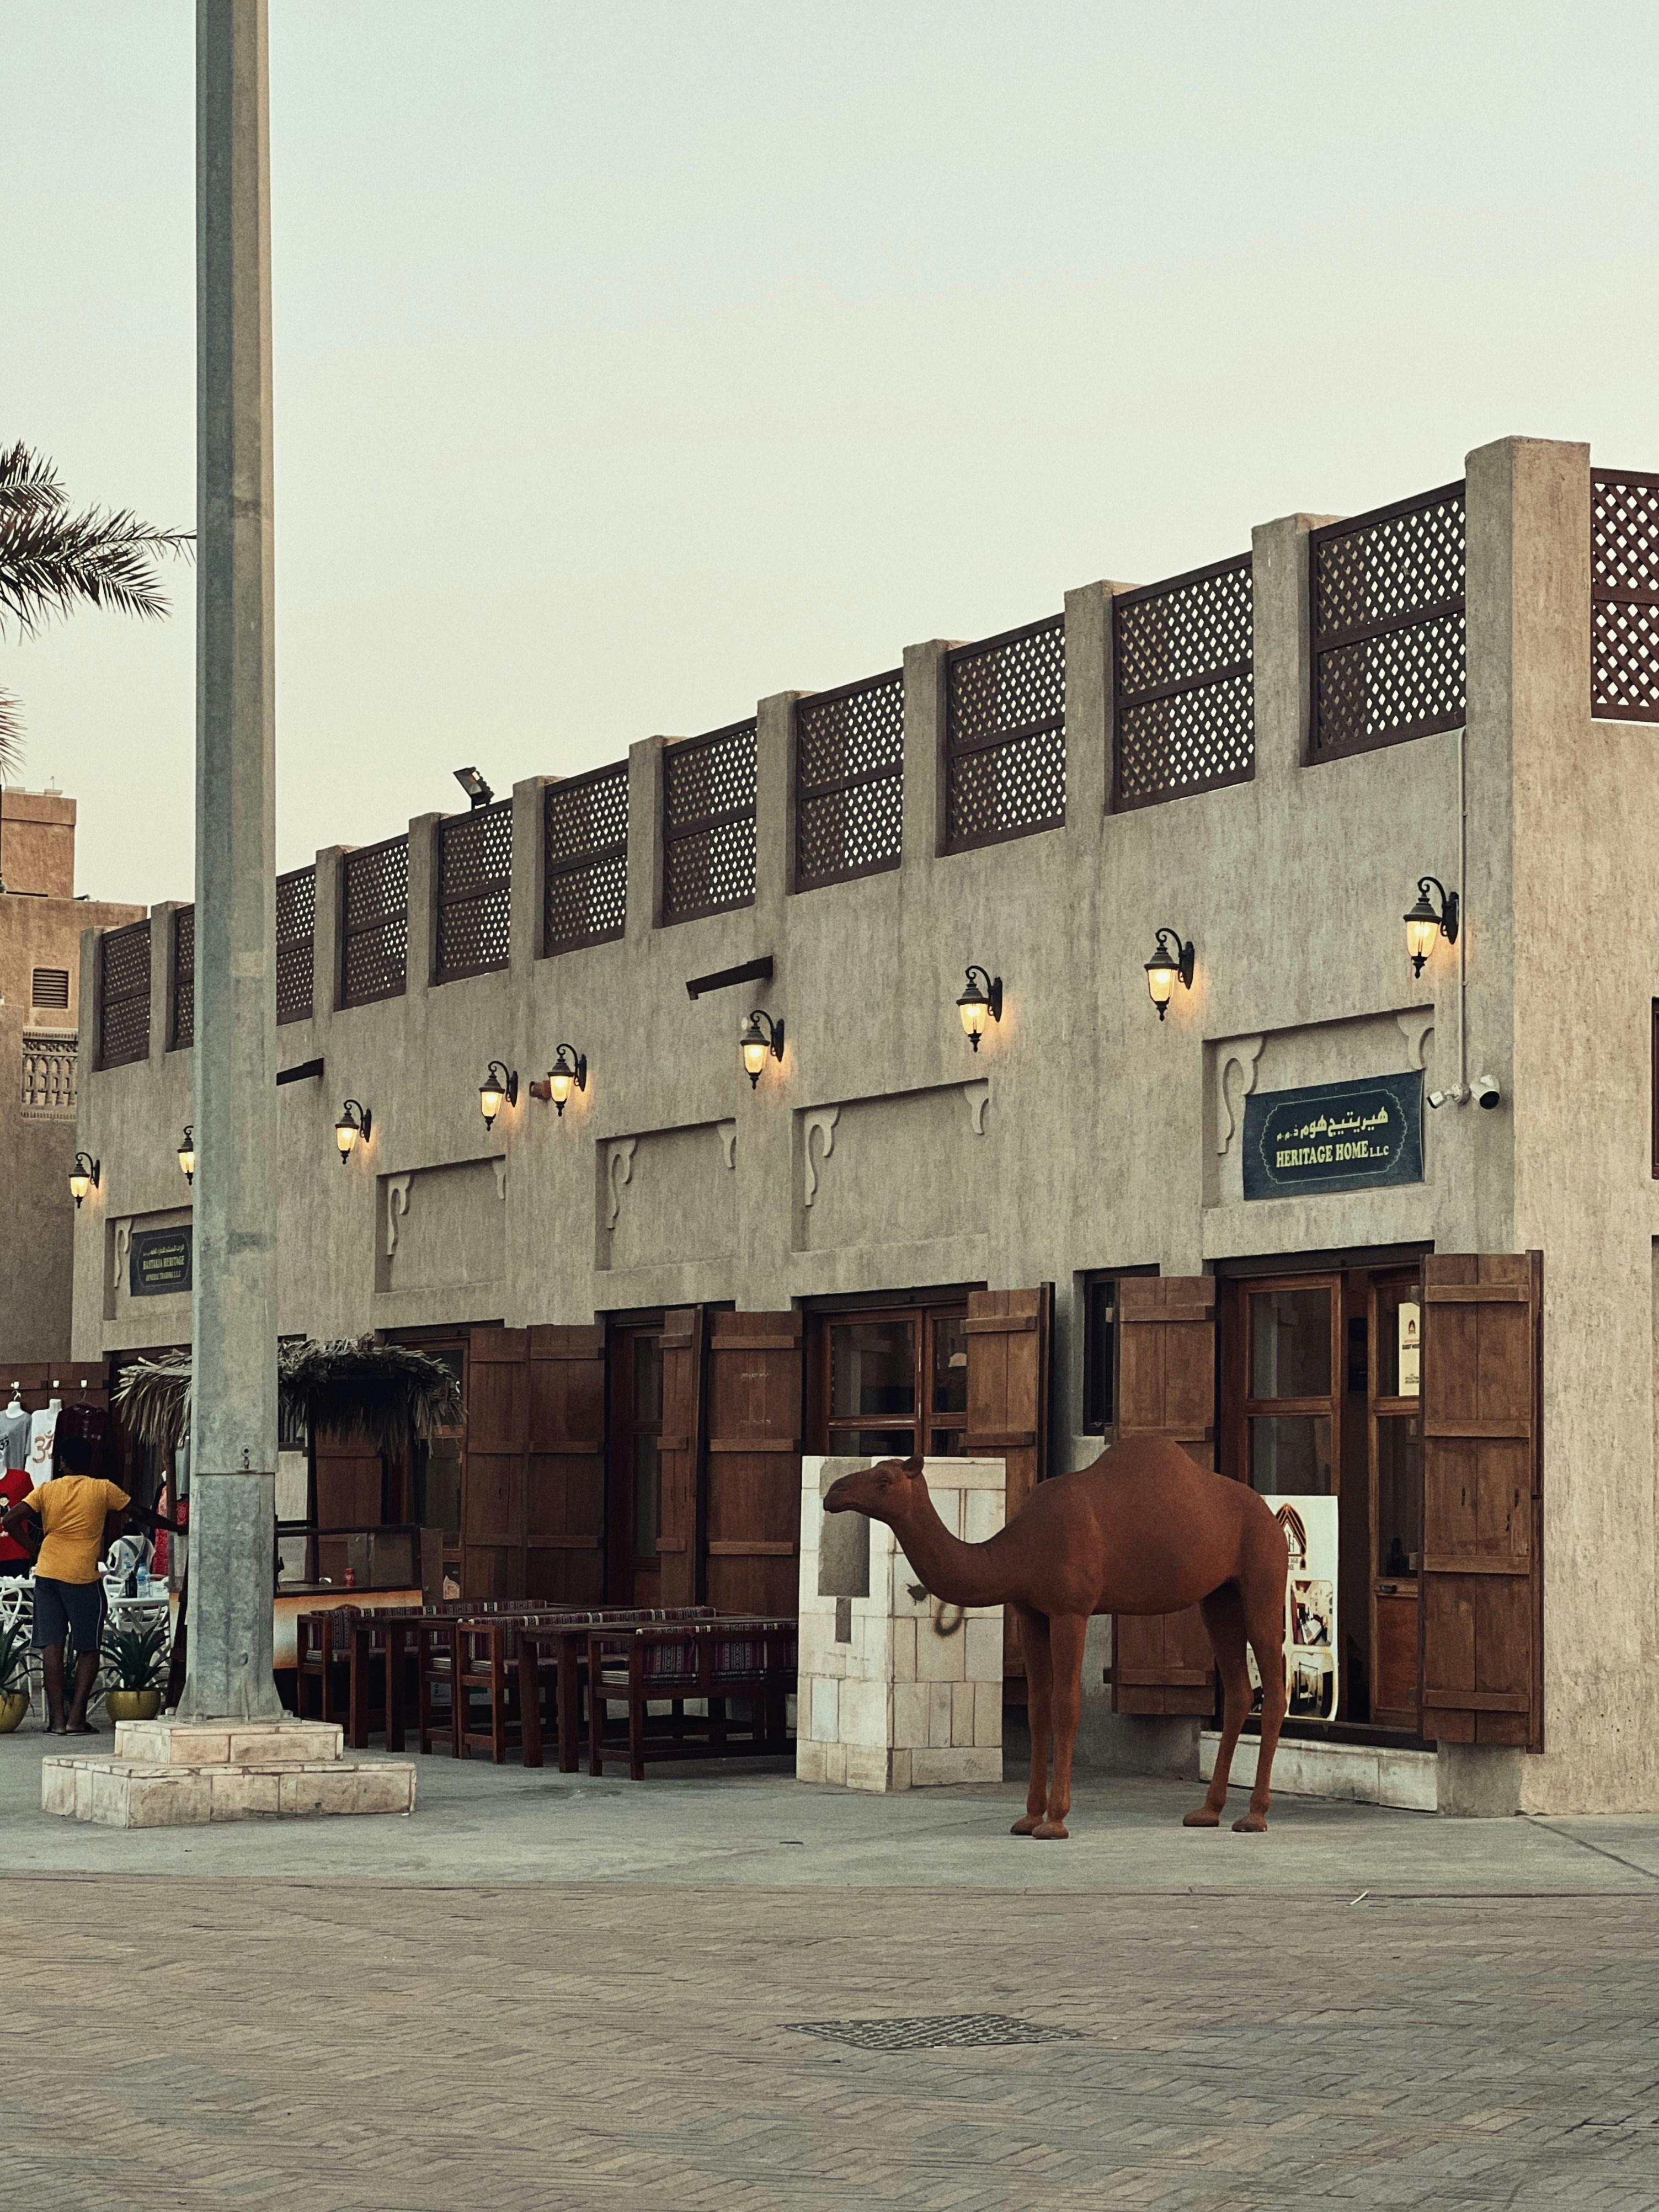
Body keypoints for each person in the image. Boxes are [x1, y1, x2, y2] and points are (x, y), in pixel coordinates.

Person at [0, 1429, 129, 1735]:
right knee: (89, 1647)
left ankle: (57, 1721)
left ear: (62, 1463)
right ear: (90, 1463)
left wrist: (35, 1550)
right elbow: (140, 1514)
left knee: (52, 1648)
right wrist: (176, 1527)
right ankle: (76, 1720)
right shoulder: (103, 1489)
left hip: (47, 1574)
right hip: (83, 1577)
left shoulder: (46, 1490)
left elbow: (8, 1521)